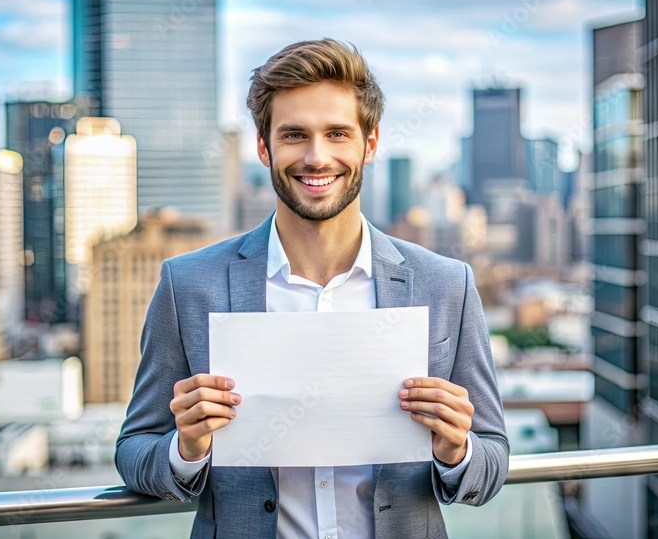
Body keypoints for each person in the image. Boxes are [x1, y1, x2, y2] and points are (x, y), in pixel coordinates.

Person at [116, 38, 508, 538]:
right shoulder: (188, 284)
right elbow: (133, 450)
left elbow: (492, 459)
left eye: (338, 133)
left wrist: (457, 451)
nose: (317, 157)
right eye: (295, 134)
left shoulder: (445, 284)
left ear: (370, 143)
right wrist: (185, 450)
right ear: (264, 146)